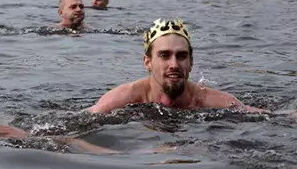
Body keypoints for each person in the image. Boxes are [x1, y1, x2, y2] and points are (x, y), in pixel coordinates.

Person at [88, 19, 263, 113]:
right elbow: (71, 129)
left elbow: (264, 116)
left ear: (191, 62)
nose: (174, 64)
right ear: (147, 62)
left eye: (181, 56)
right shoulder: (125, 98)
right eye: (164, 55)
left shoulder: (212, 101)